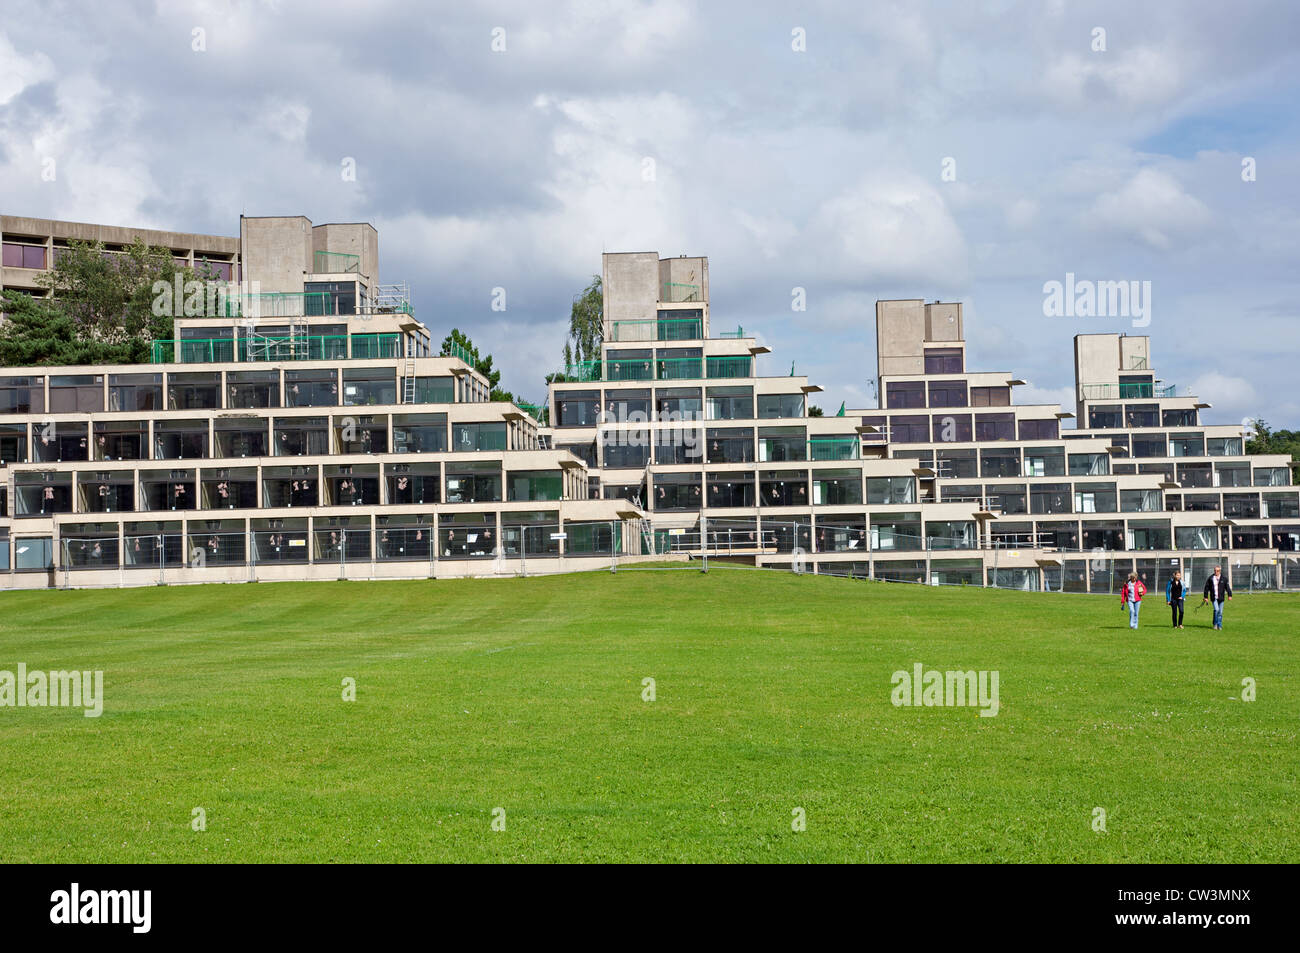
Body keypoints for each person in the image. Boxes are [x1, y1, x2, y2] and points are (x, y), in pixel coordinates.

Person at [1202, 565, 1232, 630]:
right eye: (1215, 570)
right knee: (1216, 610)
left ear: (1220, 571)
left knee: (1220, 612)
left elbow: (1227, 588)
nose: (1216, 572)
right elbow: (1206, 588)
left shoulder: (1224, 579)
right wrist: (1205, 597)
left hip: (1221, 598)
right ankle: (1215, 624)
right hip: (1214, 597)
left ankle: (1219, 625)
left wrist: (1230, 595)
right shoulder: (1210, 578)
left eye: (1217, 571)